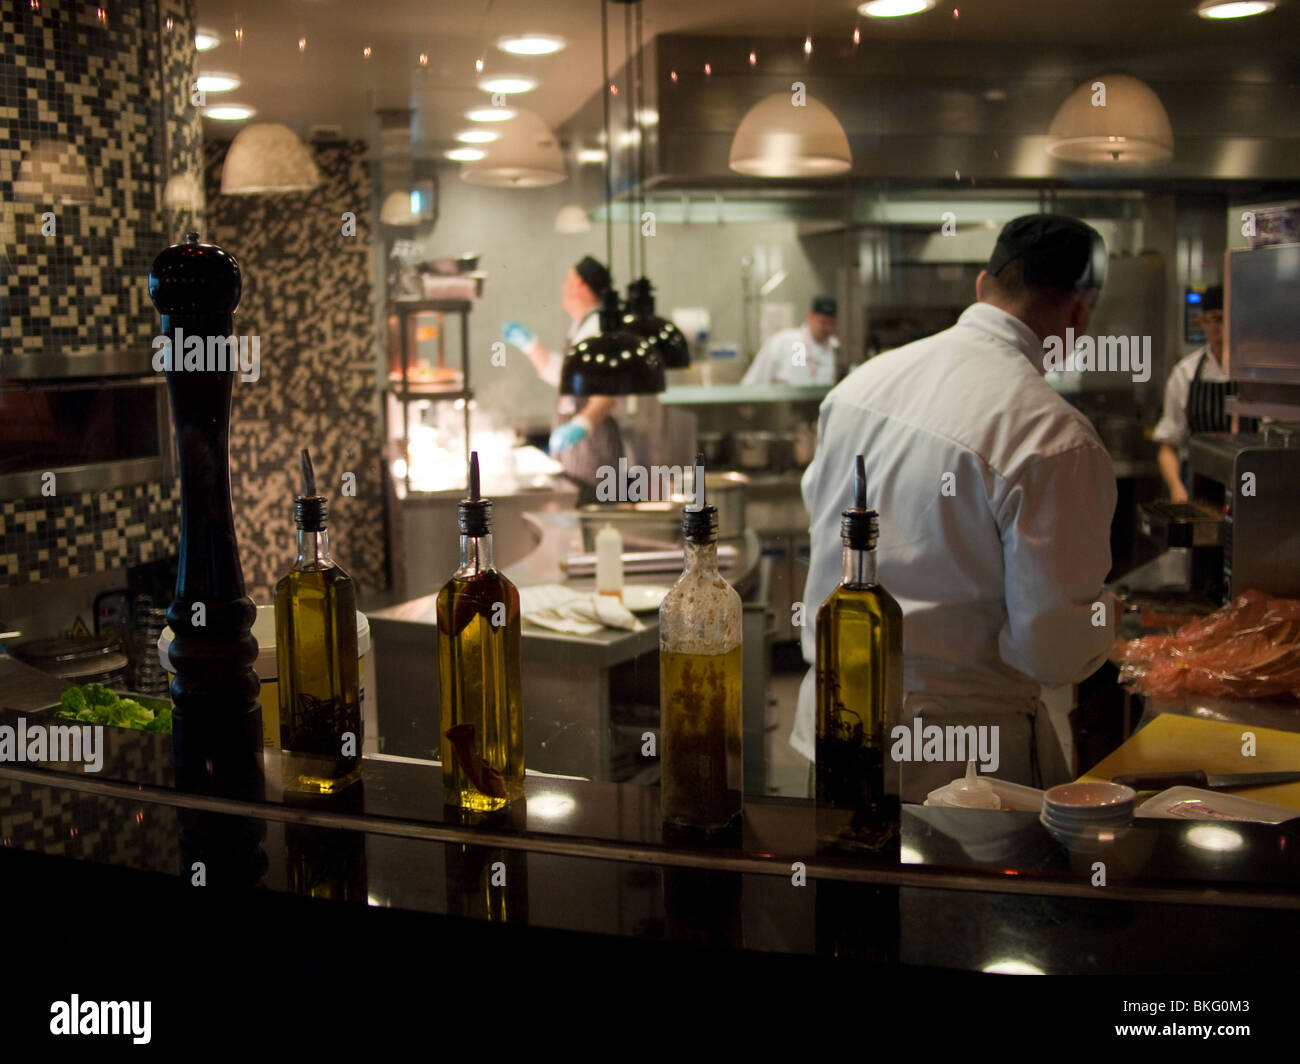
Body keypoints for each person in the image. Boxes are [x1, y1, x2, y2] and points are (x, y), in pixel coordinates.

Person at [791, 214, 1120, 800]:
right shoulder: (1053, 435)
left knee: (846, 886)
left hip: (836, 720)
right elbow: (1053, 650)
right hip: (959, 761)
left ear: (981, 286)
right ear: (1078, 313)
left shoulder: (858, 386)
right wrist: (1112, 615)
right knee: (973, 894)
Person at [502, 256, 624, 503]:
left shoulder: (599, 327)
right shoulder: (581, 325)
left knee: (598, 522)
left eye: (566, 280)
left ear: (579, 284)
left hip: (594, 447)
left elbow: (610, 390)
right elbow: (568, 377)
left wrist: (581, 425)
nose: (562, 288)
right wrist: (530, 345)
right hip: (580, 450)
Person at [1153, 284, 1232, 503]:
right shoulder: (1185, 373)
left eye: (1226, 319)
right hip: (1199, 483)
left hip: (1249, 482)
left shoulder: (1255, 371)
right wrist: (1177, 489)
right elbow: (1168, 446)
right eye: (1214, 319)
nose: (1221, 327)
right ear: (1202, 322)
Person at [740, 295, 839, 386]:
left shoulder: (834, 347)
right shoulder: (783, 341)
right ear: (810, 316)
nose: (827, 328)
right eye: (823, 322)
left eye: (832, 323)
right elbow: (753, 382)